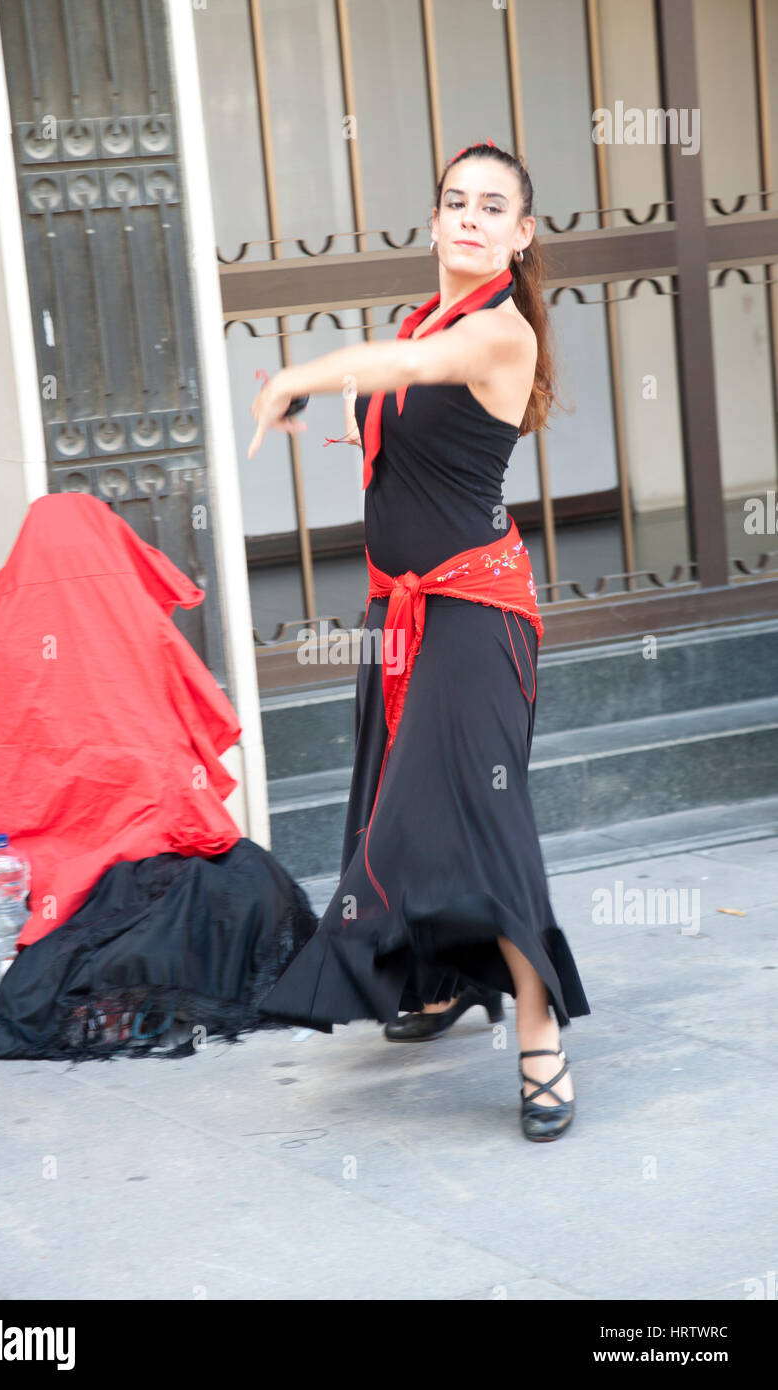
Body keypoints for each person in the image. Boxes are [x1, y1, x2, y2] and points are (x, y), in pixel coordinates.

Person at [248, 140, 590, 1141]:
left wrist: (295, 378)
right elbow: (405, 388)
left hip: (475, 617)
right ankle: (438, 984)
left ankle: (538, 1038)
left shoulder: (498, 330)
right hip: (402, 615)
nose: (471, 217)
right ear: (434, 223)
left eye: (494, 206)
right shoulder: (428, 317)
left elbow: (403, 367)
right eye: (455, 202)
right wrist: (365, 426)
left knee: (486, 824)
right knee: (399, 809)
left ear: (521, 236)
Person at [0, 492, 318, 1067]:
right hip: (158, 844)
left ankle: (116, 991)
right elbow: (209, 717)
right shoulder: (138, 627)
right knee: (244, 886)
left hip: (59, 874)